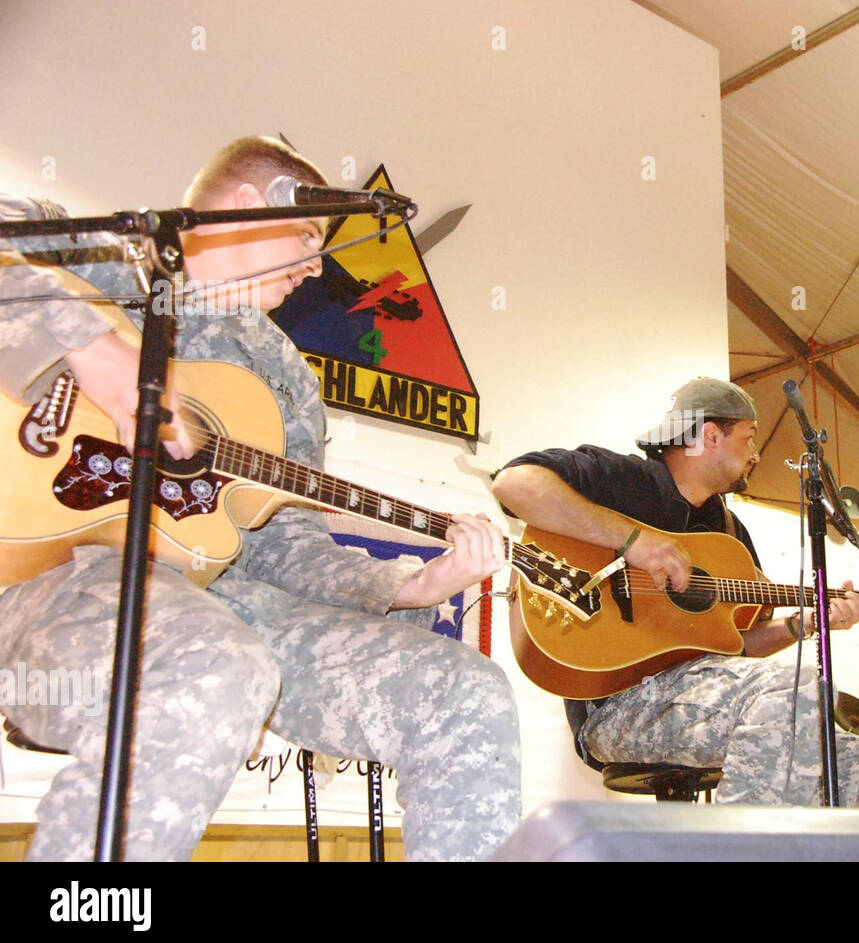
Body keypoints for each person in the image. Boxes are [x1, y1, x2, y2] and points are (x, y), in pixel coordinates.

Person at [0, 136, 520, 861]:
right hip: (52, 576)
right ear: (248, 206)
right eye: (308, 237)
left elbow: (284, 542)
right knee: (216, 663)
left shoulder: (286, 377)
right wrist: (97, 350)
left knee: (466, 690)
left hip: (237, 598)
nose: (316, 265)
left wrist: (408, 584)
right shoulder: (104, 252)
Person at [491, 377, 859, 806]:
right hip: (619, 706)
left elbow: (736, 644)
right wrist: (634, 542)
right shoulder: (623, 480)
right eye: (748, 438)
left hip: (708, 694)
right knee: (797, 690)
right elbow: (515, 484)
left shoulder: (729, 531)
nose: (756, 454)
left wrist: (806, 624)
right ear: (710, 435)